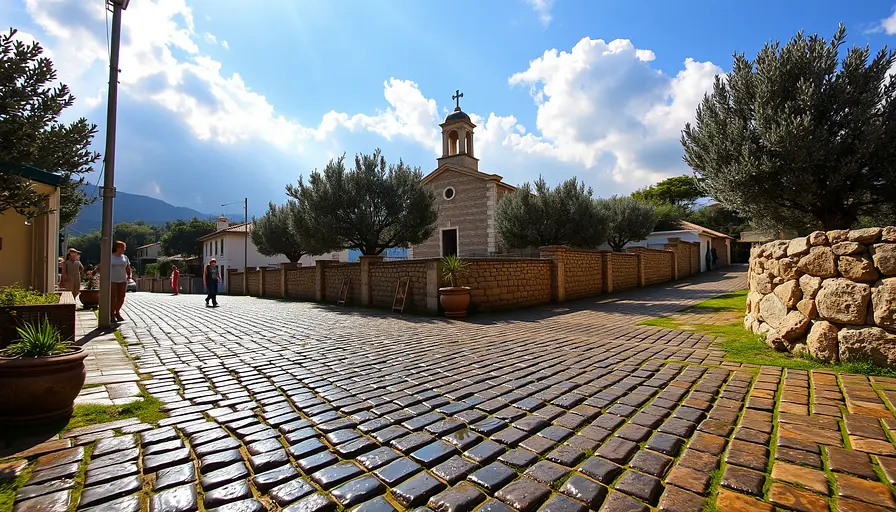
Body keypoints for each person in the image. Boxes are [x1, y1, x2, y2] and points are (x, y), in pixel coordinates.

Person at [97, 241, 132, 322]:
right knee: (113, 297)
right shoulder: (110, 257)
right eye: (123, 248)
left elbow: (128, 268)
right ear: (117, 248)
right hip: (112, 280)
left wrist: (129, 276)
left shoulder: (125, 258)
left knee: (121, 297)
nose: (124, 249)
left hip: (123, 280)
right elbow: (99, 267)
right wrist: (102, 275)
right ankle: (112, 314)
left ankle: (117, 312)